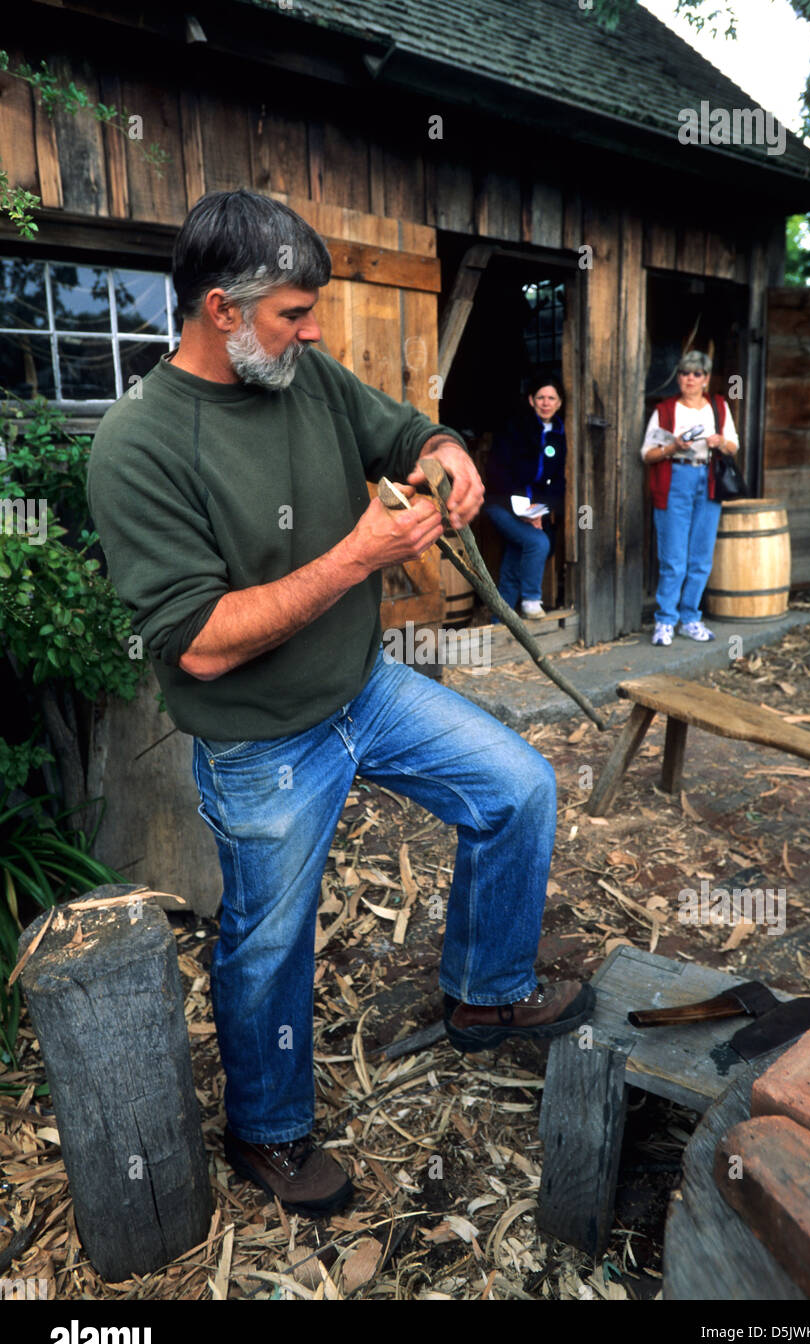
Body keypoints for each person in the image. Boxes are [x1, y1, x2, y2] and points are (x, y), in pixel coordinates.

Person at [86, 191, 593, 1218]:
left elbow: (404, 427)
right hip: (261, 740)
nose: (315, 331)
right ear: (221, 309)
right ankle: (267, 1132)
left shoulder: (303, 376)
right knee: (269, 943)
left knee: (518, 788)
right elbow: (202, 643)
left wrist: (445, 457)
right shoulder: (138, 446)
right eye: (293, 313)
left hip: (364, 686)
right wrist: (360, 551)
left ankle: (482, 993)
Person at [641, 350, 740, 646]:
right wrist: (673, 447)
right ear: (678, 377)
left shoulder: (719, 406)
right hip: (675, 479)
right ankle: (665, 620)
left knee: (700, 555)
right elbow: (646, 454)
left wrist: (720, 442)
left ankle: (690, 618)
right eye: (685, 373)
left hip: (708, 480)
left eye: (697, 374)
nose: (690, 379)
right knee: (673, 557)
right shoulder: (666, 409)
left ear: (706, 379)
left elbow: (734, 446)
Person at [483, 375, 566, 618]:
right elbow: (497, 472)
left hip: (535, 511)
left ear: (559, 403)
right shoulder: (514, 428)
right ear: (531, 400)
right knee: (537, 543)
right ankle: (531, 600)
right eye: (540, 397)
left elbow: (558, 481)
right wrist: (522, 509)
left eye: (551, 398)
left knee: (512, 565)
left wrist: (541, 511)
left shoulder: (558, 435)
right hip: (501, 504)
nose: (546, 403)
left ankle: (499, 622)